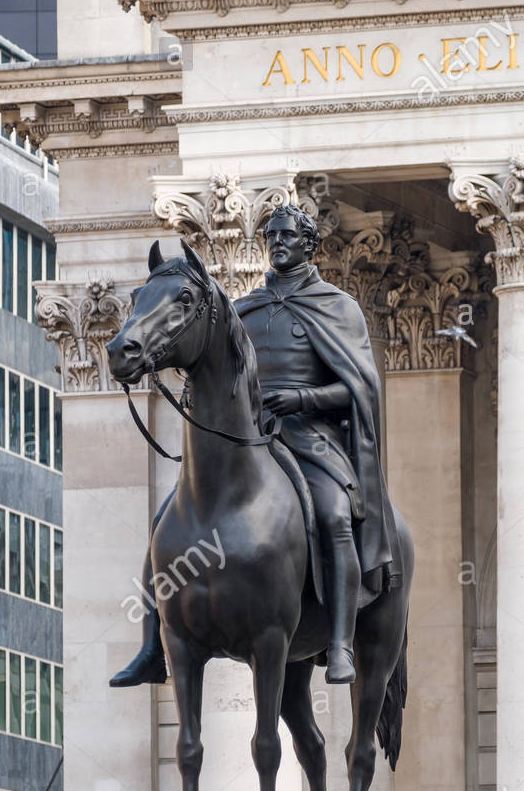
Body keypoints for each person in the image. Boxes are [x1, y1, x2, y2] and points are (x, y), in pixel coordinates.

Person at [110, 203, 401, 687]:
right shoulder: (245, 308)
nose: (277, 243)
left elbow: (358, 388)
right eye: (272, 235)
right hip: (253, 436)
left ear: (310, 244)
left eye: (287, 235)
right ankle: (150, 649)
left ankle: (341, 642)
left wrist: (302, 398)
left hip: (312, 437)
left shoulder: (338, 307)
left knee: (332, 512)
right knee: (166, 521)